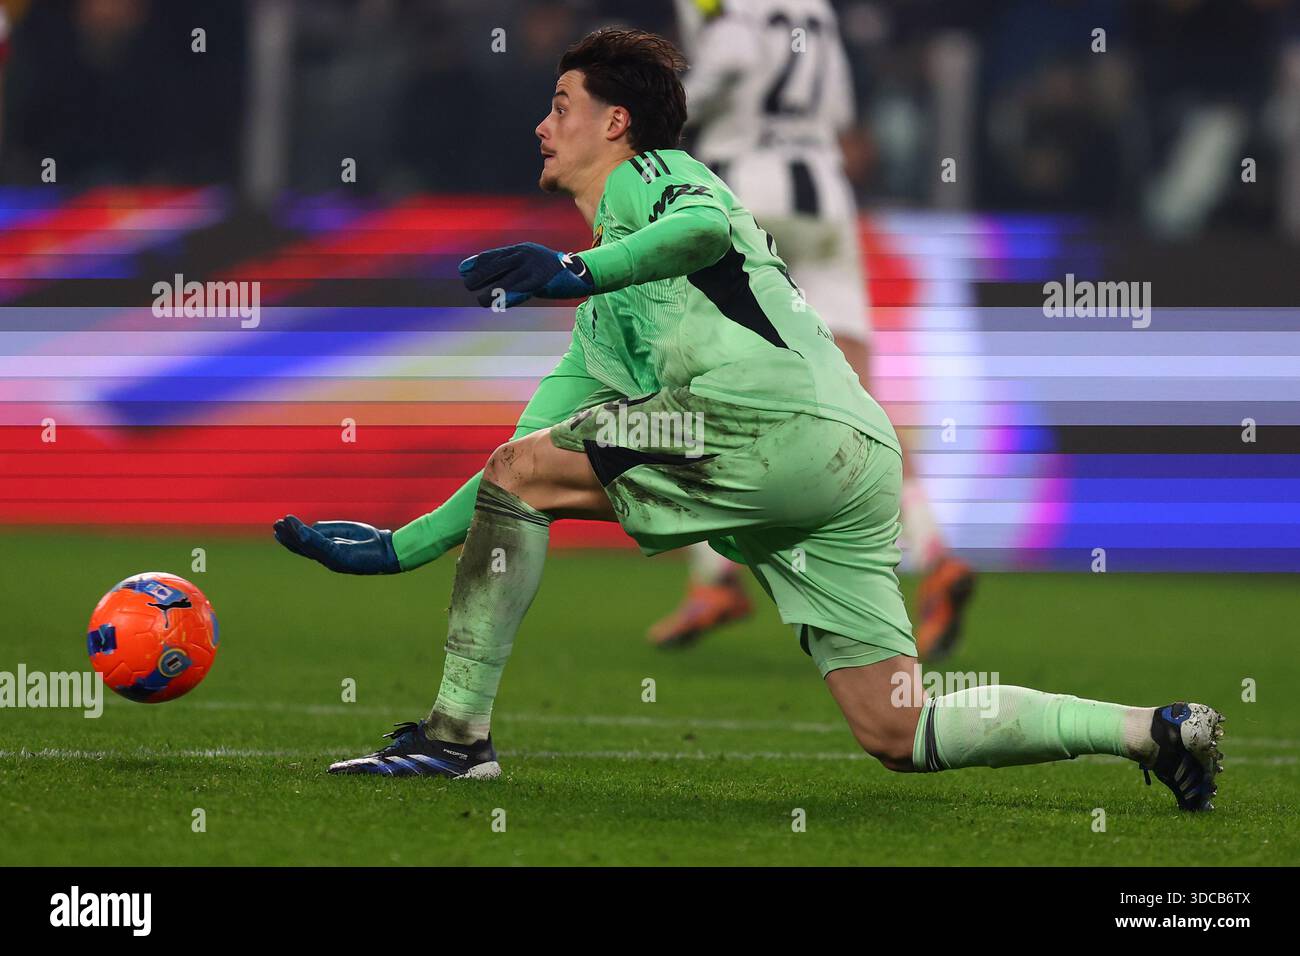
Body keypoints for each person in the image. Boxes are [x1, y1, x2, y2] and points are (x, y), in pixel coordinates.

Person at [274, 28, 1224, 812]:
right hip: (851, 460)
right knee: (899, 727)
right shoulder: (607, 318)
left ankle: (455, 738)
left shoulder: (658, 176)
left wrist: (573, 271)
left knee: (531, 474)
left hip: (765, 430)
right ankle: (1155, 729)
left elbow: (704, 235)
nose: (540, 125)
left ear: (616, 122)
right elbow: (511, 468)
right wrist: (397, 548)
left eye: (559, 105)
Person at [652, 0, 973, 657]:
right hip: (824, 195)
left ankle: (715, 577)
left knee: (702, 384)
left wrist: (658, 121)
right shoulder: (816, 9)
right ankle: (935, 553)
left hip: (743, 193)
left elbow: (725, 64)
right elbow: (843, 116)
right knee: (859, 395)